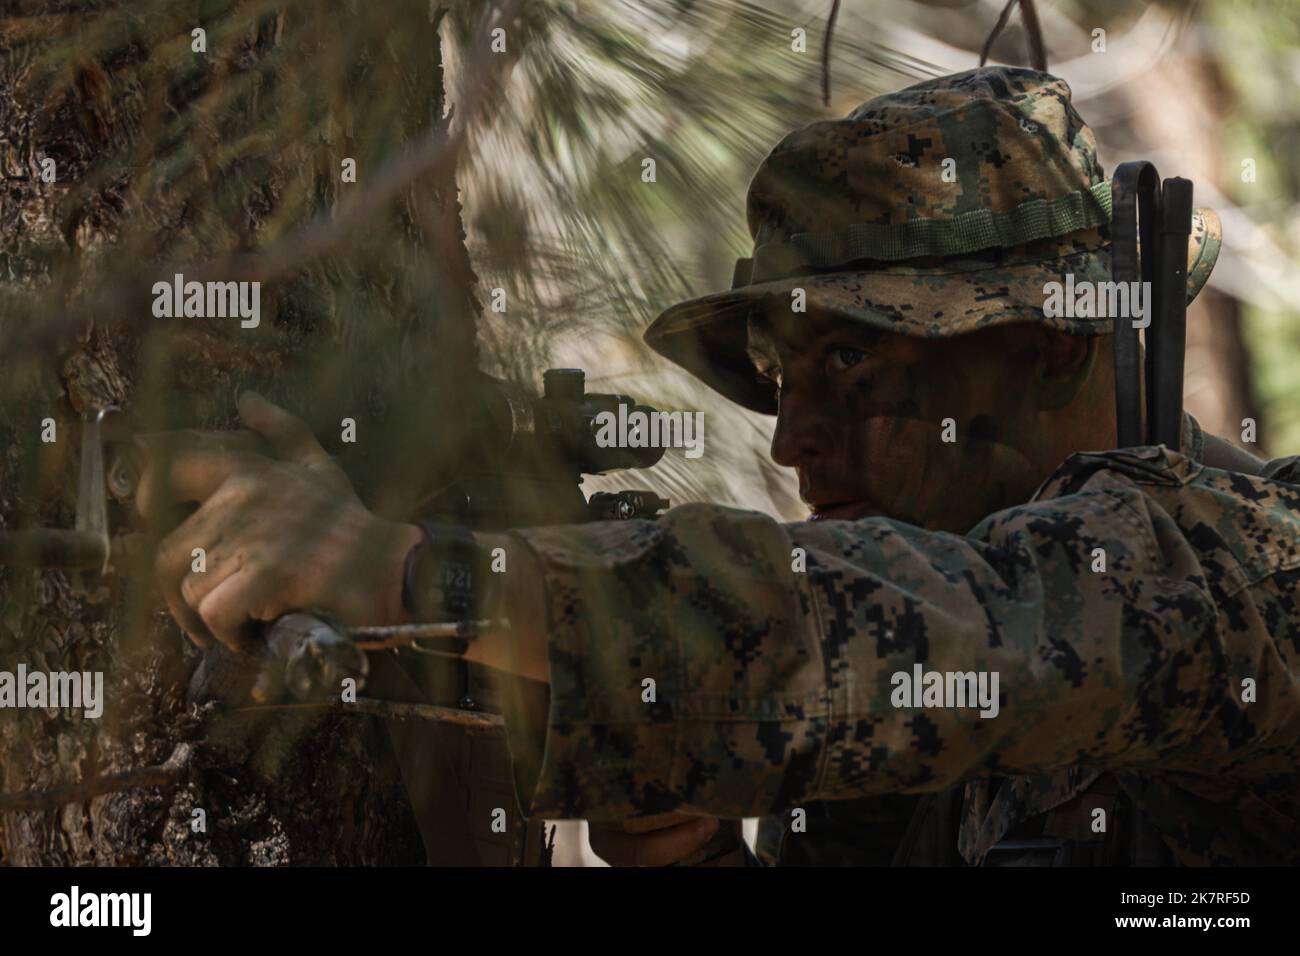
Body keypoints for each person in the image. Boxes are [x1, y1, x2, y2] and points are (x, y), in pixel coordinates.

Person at [139, 67, 1300, 866]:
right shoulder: (923, 700)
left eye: (853, 364)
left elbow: (942, 620)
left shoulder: (1236, 568)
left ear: (1049, 344)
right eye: (782, 379)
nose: (794, 441)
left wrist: (417, 575)